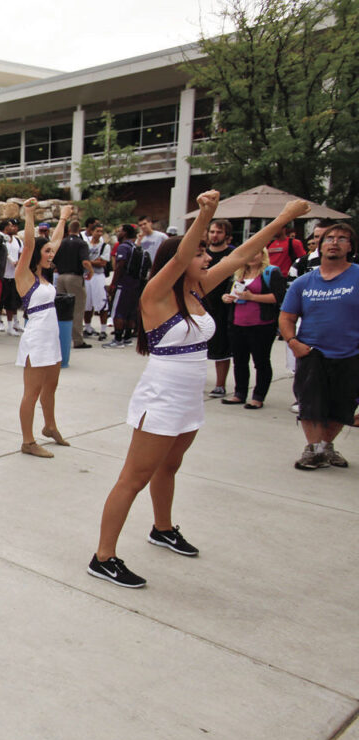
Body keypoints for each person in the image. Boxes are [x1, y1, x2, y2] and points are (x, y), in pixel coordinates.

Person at [89, 193, 309, 588]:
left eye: (207, 253)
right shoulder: (156, 293)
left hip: (189, 397)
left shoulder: (197, 289)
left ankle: (162, 528)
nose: (207, 259)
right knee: (133, 478)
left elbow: (241, 255)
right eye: (201, 252)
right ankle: (103, 556)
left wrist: (283, 219)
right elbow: (177, 258)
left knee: (170, 467)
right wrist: (205, 215)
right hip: (161, 396)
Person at [280, 223, 359, 470]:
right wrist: (293, 342)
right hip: (312, 353)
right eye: (329, 238)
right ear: (320, 246)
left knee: (342, 406)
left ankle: (326, 446)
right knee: (310, 405)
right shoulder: (304, 282)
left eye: (342, 239)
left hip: (350, 354)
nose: (334, 242)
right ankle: (313, 449)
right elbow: (286, 317)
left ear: (350, 247)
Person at [13, 200, 69, 457]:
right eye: (46, 252)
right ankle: (28, 441)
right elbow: (30, 244)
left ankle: (50, 426)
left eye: (51, 252)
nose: (51, 254)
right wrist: (29, 213)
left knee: (51, 388)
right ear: (37, 254)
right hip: (36, 340)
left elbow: (54, 242)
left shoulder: (45, 277)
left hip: (52, 339)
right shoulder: (24, 275)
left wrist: (63, 219)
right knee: (31, 393)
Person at [221, 248, 285, 409]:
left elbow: (278, 297)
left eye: (255, 252)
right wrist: (226, 297)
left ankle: (258, 396)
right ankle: (239, 393)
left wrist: (252, 297)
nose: (251, 256)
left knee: (261, 362)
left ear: (263, 255)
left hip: (261, 325)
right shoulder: (238, 273)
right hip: (237, 324)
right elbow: (227, 292)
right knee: (239, 361)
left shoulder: (271, 272)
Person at [202, 219, 236, 397]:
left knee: (221, 346)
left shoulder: (233, 255)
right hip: (201, 305)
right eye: (212, 231)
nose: (215, 235)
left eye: (219, 232)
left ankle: (220, 385)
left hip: (223, 308)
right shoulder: (202, 254)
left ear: (227, 236)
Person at [103, 224, 147, 349]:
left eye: (120, 231)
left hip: (123, 284)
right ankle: (127, 337)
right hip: (135, 285)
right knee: (130, 312)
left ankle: (117, 339)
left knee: (118, 312)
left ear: (126, 233)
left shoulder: (123, 247)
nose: (118, 233)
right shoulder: (136, 247)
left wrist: (113, 283)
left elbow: (120, 265)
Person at [52, 219, 93, 349]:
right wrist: (90, 271)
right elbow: (85, 262)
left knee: (61, 309)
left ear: (69, 230)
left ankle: (60, 337)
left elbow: (53, 261)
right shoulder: (81, 244)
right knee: (77, 309)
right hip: (74, 277)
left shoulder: (61, 243)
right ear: (79, 230)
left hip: (61, 277)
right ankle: (77, 340)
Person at [82, 222, 112, 341]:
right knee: (87, 303)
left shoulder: (105, 246)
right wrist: (93, 261)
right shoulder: (86, 245)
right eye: (97, 231)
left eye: (101, 231)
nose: (99, 234)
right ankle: (88, 327)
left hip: (98, 276)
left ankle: (103, 329)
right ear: (92, 232)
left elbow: (103, 262)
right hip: (87, 275)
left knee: (102, 303)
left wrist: (89, 262)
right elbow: (83, 260)